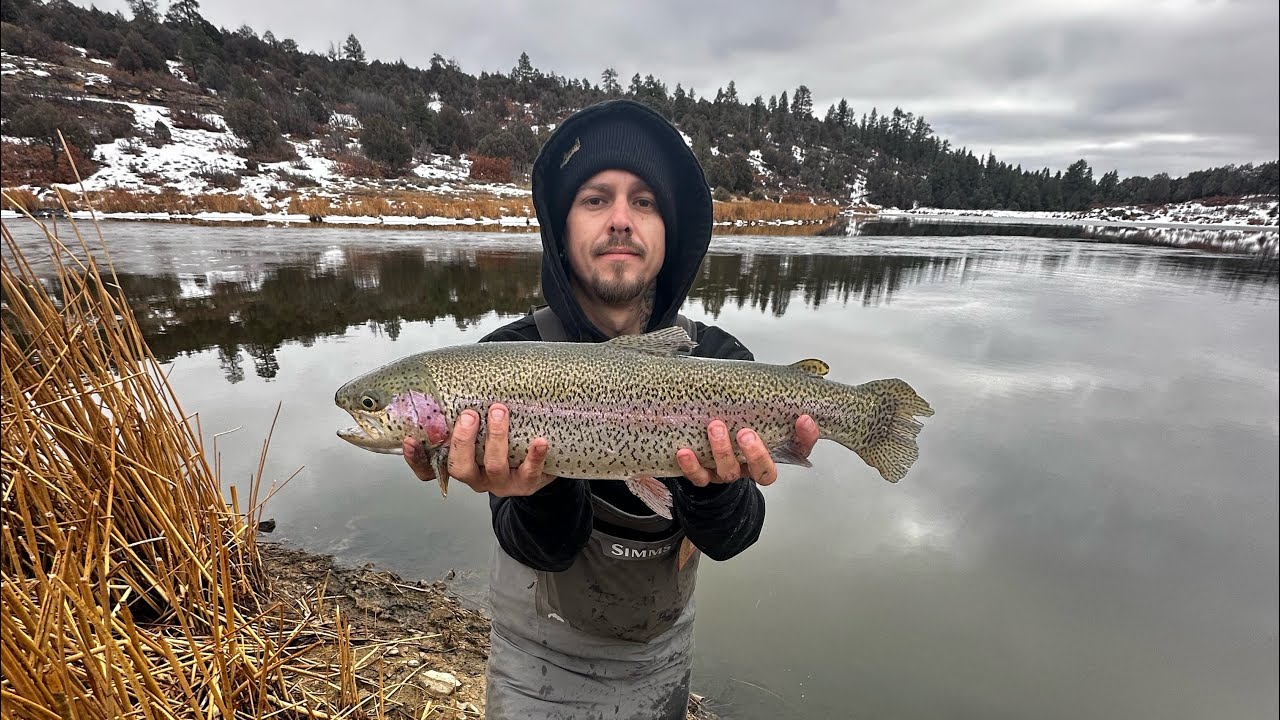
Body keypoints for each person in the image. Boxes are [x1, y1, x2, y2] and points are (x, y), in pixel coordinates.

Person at [402, 99, 819, 720]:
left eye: (644, 202)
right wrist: (537, 489)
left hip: (663, 650)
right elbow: (542, 551)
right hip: (535, 658)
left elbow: (732, 539)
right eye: (596, 199)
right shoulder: (505, 360)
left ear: (670, 231)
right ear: (562, 226)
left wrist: (713, 486)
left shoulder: (716, 360)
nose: (621, 220)